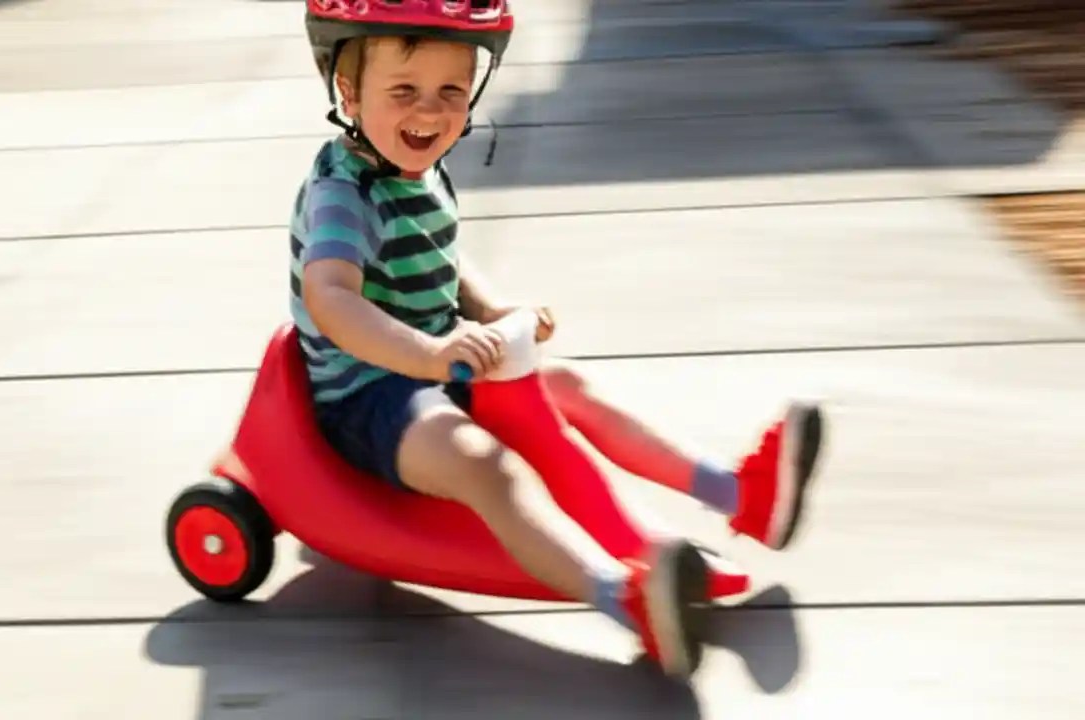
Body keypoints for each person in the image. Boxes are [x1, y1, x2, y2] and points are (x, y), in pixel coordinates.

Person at [288, 0, 824, 680]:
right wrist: (429, 354)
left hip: (440, 366)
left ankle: (741, 495)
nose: (429, 111)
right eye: (404, 91)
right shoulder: (343, 193)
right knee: (487, 466)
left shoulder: (414, 168)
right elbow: (332, 298)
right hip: (370, 396)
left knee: (568, 385)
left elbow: (442, 259)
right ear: (348, 90)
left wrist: (492, 311)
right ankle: (623, 597)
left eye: (451, 90)